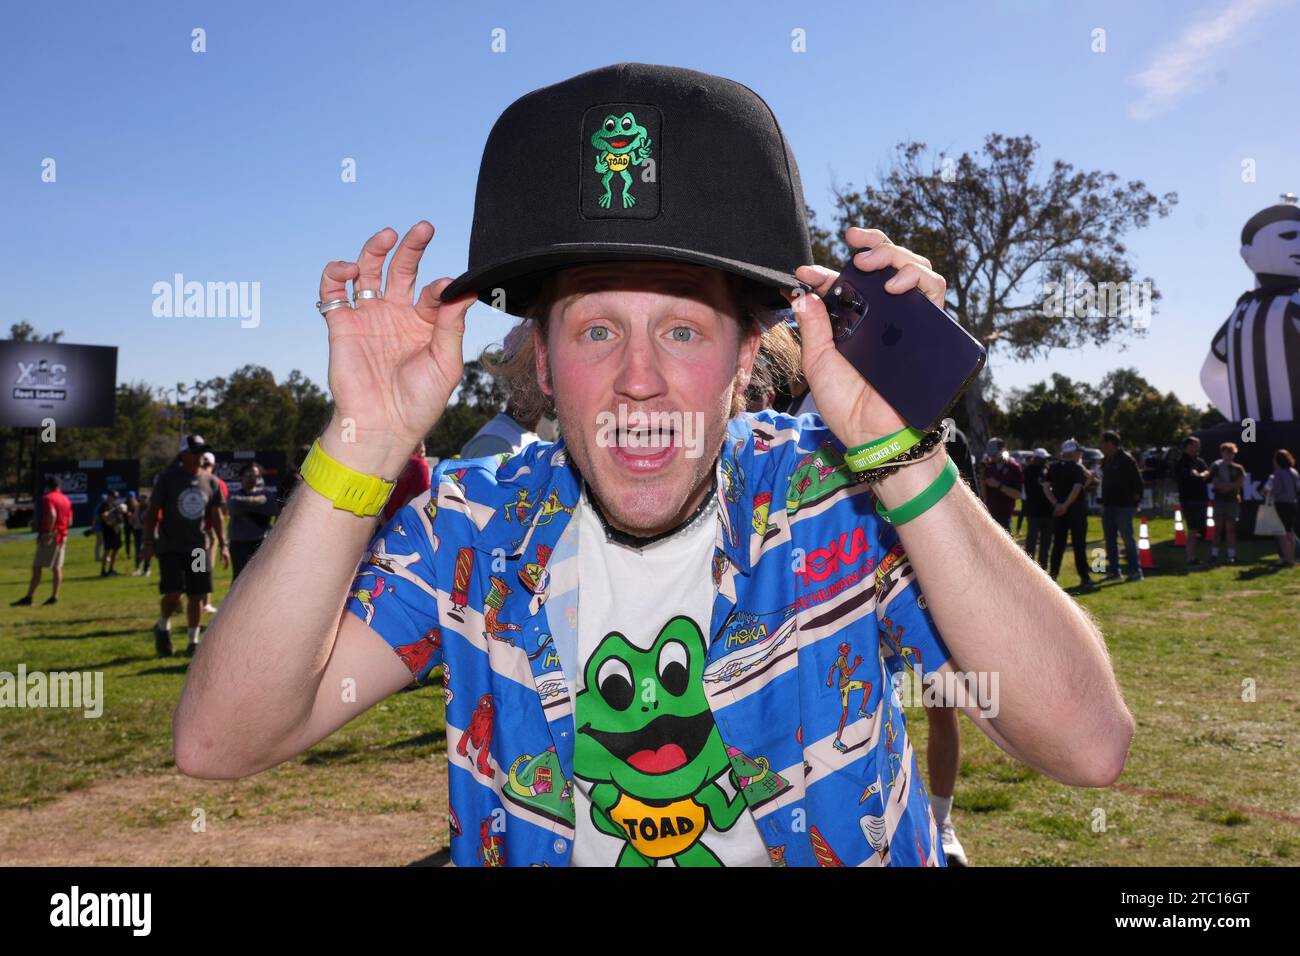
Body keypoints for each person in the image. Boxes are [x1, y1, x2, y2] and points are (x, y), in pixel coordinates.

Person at [175, 63, 1133, 868]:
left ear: (749, 357)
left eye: (682, 328)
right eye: (596, 330)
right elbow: (224, 740)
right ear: (542, 362)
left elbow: (1088, 744)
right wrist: (367, 445)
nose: (640, 381)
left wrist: (904, 456)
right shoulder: (468, 530)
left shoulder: (839, 503)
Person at [138, 434, 228, 657]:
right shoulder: (168, 479)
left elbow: (216, 515)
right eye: (195, 451)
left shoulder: (211, 482)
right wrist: (148, 542)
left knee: (197, 594)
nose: (200, 456)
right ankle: (163, 625)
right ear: (183, 454)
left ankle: (193, 641)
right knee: (173, 593)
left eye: (202, 451)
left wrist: (224, 544)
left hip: (198, 547)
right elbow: (152, 513)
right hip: (171, 545)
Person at [12, 475, 73, 606]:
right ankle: (54, 597)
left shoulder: (48, 498)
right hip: (62, 536)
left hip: (50, 537)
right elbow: (70, 521)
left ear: (48, 486)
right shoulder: (66, 499)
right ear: (59, 486)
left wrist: (48, 533)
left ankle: (29, 597)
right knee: (57, 568)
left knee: (37, 567)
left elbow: (52, 514)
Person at [1044, 438, 1094, 591]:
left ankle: (1053, 576)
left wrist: (1057, 504)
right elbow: (1077, 488)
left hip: (1059, 511)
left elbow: (1046, 487)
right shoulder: (1077, 468)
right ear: (1074, 453)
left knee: (1058, 545)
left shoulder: (1053, 467)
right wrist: (1065, 505)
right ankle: (1084, 578)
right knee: (1079, 545)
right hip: (1076, 511)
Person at [1098, 430, 1145, 583]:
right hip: (1108, 506)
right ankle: (1114, 572)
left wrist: (1134, 504)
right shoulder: (1106, 460)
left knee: (1127, 539)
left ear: (1110, 443)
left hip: (1124, 507)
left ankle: (1135, 572)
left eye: (1102, 442)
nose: (1101, 446)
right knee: (1110, 540)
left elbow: (1138, 485)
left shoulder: (1127, 460)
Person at [227, 461, 280, 579]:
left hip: (261, 542)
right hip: (239, 544)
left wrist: (245, 504)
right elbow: (233, 505)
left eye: (257, 476)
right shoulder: (234, 494)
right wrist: (259, 501)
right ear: (241, 476)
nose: (253, 478)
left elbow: (272, 508)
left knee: (260, 578)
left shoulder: (268, 494)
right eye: (249, 475)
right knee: (239, 578)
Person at [1174, 435, 1212, 567]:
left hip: (1201, 498)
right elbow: (1192, 478)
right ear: (1188, 446)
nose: (1198, 448)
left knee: (1198, 529)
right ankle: (1191, 557)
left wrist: (1202, 475)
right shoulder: (1182, 462)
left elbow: (1208, 475)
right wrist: (1202, 475)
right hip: (1189, 499)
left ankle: (1193, 556)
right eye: (1196, 445)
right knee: (1192, 529)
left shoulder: (1199, 461)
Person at [1207, 442, 1247, 564]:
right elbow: (1216, 483)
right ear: (1222, 453)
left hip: (1233, 501)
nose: (1229, 455)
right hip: (1219, 501)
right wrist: (1229, 486)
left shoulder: (1238, 468)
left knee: (1231, 529)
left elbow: (1240, 483)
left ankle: (1231, 555)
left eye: (1231, 453)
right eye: (1226, 452)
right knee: (1217, 528)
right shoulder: (1216, 466)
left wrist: (1226, 486)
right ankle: (1214, 554)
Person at [199, 451, 229, 613]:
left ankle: (197, 600)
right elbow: (223, 512)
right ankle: (203, 602)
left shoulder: (192, 481)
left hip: (199, 531)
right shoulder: (218, 483)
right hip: (208, 531)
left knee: (198, 567)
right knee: (204, 567)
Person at [1262, 448, 1298, 568]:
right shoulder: (1294, 472)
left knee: (1282, 533)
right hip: (1293, 503)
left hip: (1282, 504)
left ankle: (1287, 560)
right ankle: (1291, 559)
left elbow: (1277, 490)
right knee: (1290, 532)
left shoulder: (1278, 472)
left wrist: (1267, 492)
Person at [380, 440, 432, 523]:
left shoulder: (389, 463)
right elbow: (414, 500)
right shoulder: (420, 465)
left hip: (386, 524)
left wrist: (385, 525)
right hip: (405, 526)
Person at [979, 437, 1023, 533]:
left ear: (1003, 450)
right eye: (990, 455)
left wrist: (999, 485)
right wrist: (982, 480)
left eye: (994, 454)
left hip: (1005, 515)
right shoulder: (989, 466)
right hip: (989, 513)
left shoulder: (1013, 467)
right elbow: (985, 496)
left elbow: (1018, 494)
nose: (992, 457)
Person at [1021, 448, 1054, 570]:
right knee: (1031, 543)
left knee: (1045, 544)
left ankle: (1042, 569)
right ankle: (1028, 568)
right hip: (1034, 512)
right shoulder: (1029, 471)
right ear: (1037, 459)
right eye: (1043, 459)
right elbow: (1041, 486)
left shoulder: (1045, 471)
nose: (1045, 461)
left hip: (1047, 512)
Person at [98, 490, 127, 577]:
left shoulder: (114, 505)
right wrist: (112, 513)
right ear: (109, 496)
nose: (116, 499)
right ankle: (103, 570)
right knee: (107, 550)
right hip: (108, 531)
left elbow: (121, 515)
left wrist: (123, 510)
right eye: (114, 497)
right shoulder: (103, 506)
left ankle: (111, 569)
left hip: (116, 530)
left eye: (117, 497)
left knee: (116, 549)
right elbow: (105, 518)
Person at [131, 490, 153, 577]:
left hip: (147, 531)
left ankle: (147, 569)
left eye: (143, 500)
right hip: (137, 531)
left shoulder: (150, 509)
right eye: (140, 500)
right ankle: (137, 568)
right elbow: (134, 521)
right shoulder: (137, 509)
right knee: (138, 550)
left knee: (147, 550)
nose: (141, 502)